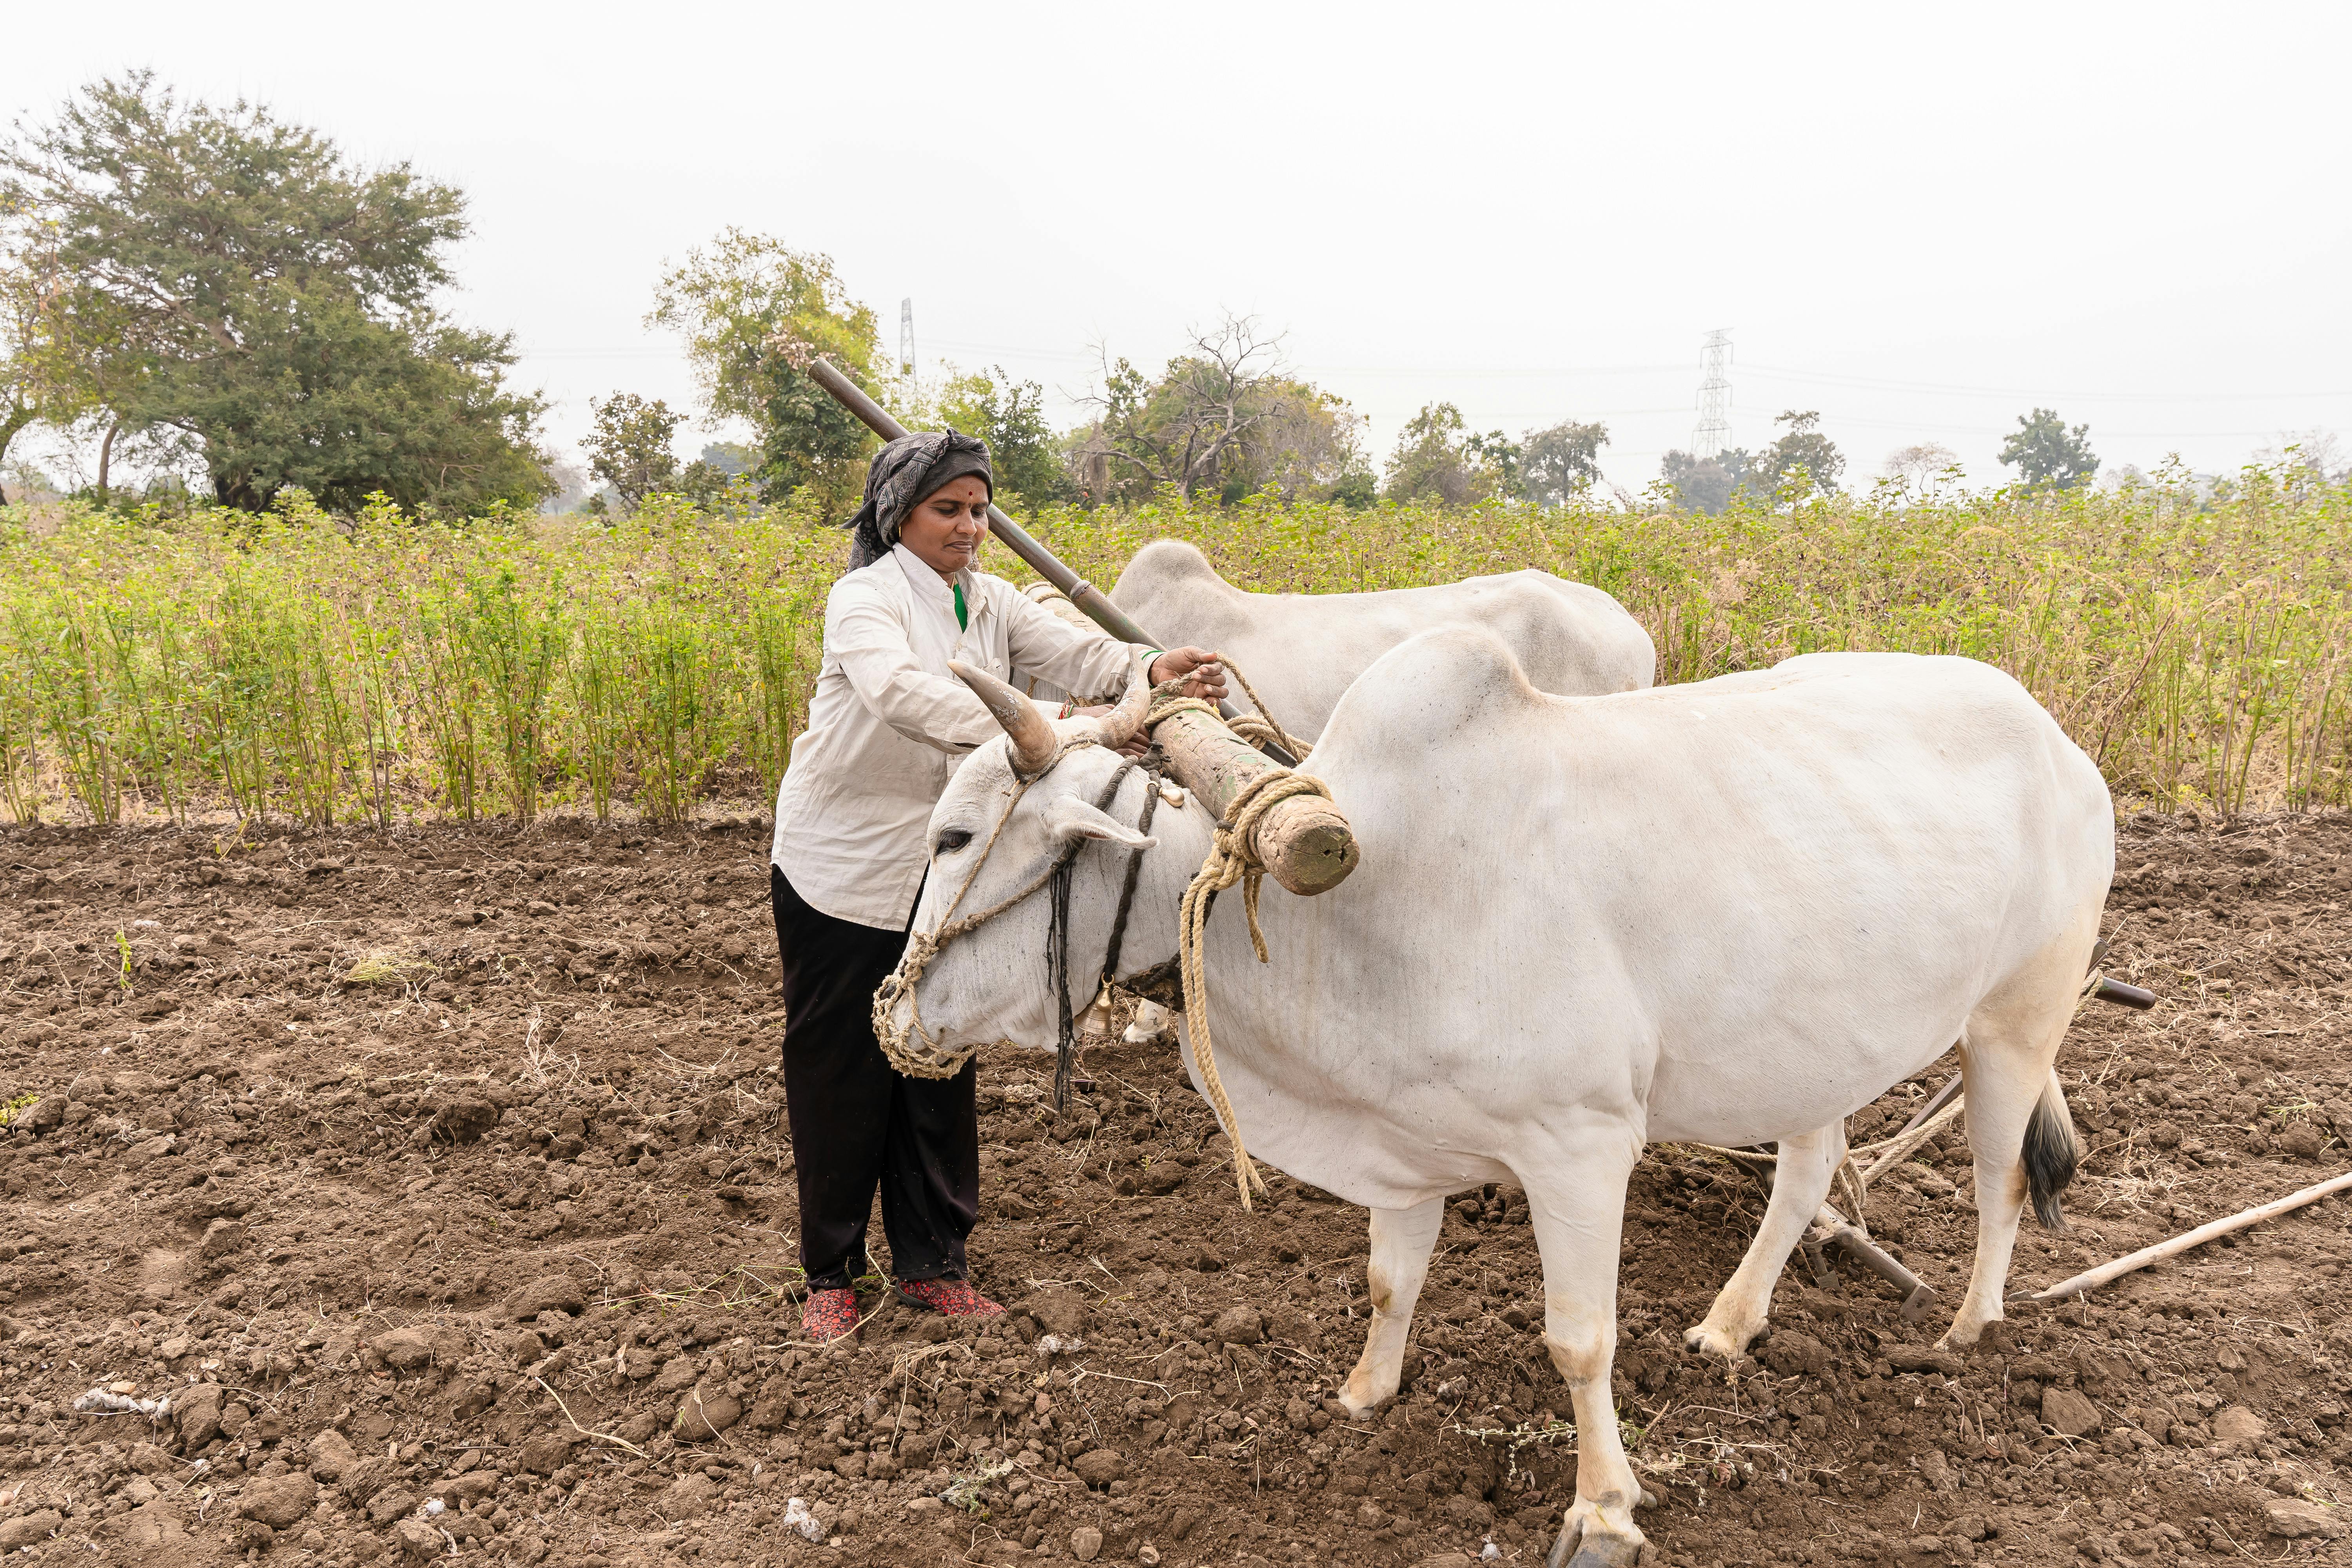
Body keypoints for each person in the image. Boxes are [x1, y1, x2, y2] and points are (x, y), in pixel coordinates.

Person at [769, 431, 1226, 1342]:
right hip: (847, 864)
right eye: (950, 509)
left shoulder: (993, 599)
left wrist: (1148, 671)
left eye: (979, 509)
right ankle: (833, 1270)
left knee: (945, 1043)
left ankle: (935, 1261)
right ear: (901, 515)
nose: (970, 527)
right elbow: (903, 693)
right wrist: (1075, 722)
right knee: (841, 1063)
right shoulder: (864, 599)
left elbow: (1082, 652)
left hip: (962, 859)